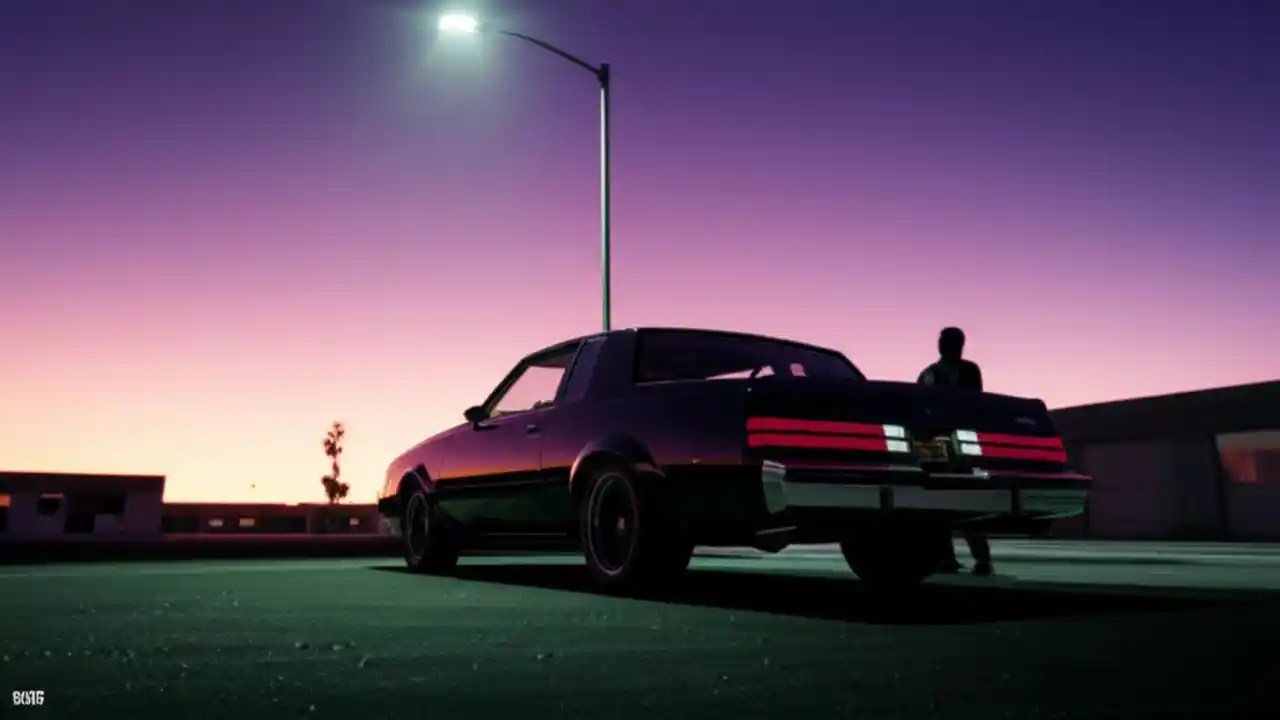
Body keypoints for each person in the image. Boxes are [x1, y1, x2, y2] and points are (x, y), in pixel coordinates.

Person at [917, 326, 994, 576]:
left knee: (962, 502)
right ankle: (950, 557)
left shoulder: (959, 371)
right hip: (939, 444)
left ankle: (977, 558)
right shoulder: (930, 373)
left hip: (953, 442)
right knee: (944, 504)